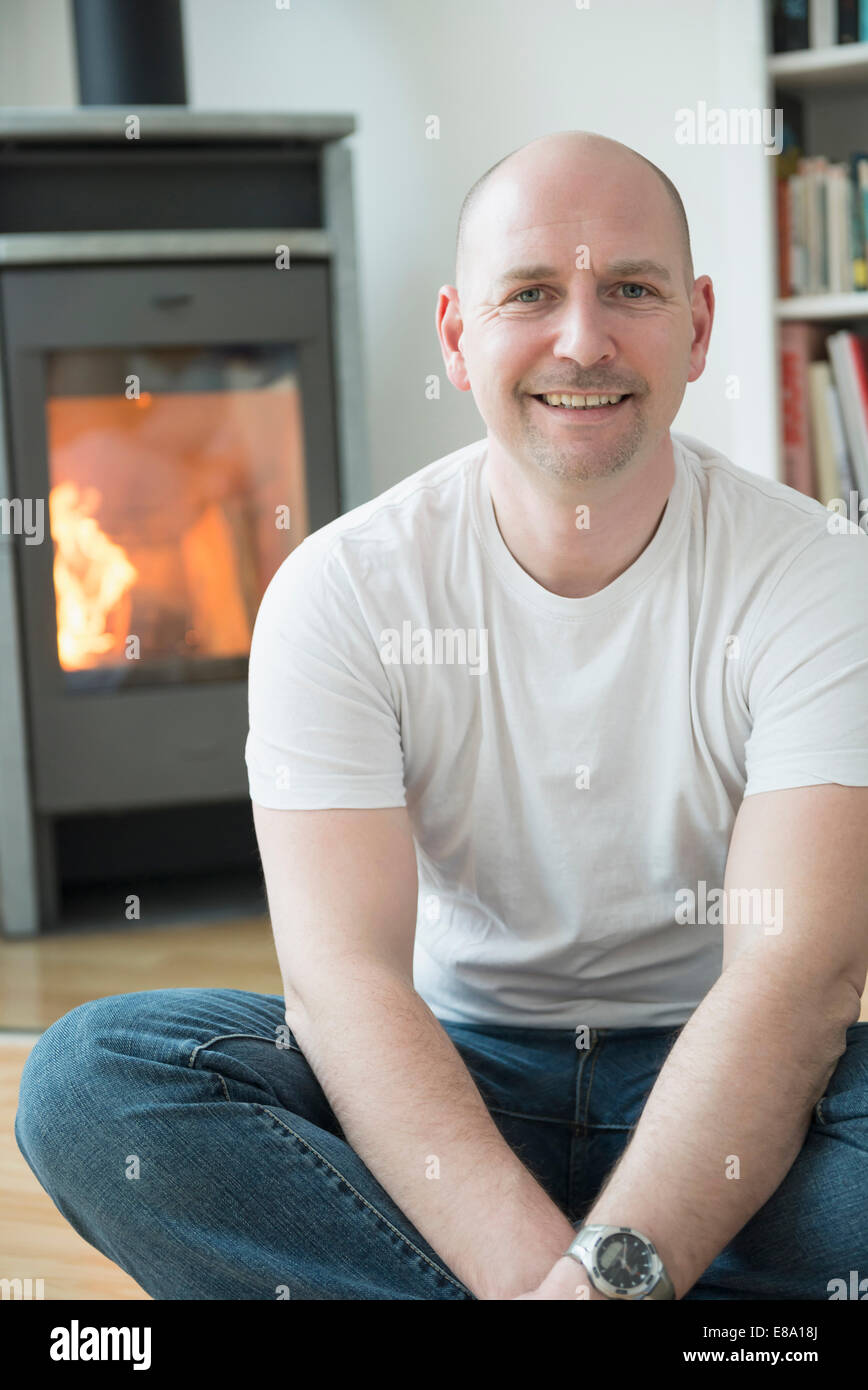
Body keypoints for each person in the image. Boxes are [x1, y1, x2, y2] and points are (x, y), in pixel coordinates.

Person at [16, 131, 868, 1301]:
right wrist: (559, 1285)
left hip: (729, 1086)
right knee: (90, 1079)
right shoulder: (341, 588)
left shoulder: (820, 576)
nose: (582, 337)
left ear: (698, 325)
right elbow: (345, 980)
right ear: (458, 338)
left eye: (630, 287)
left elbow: (795, 976)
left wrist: (603, 1280)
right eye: (529, 294)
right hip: (452, 1082)